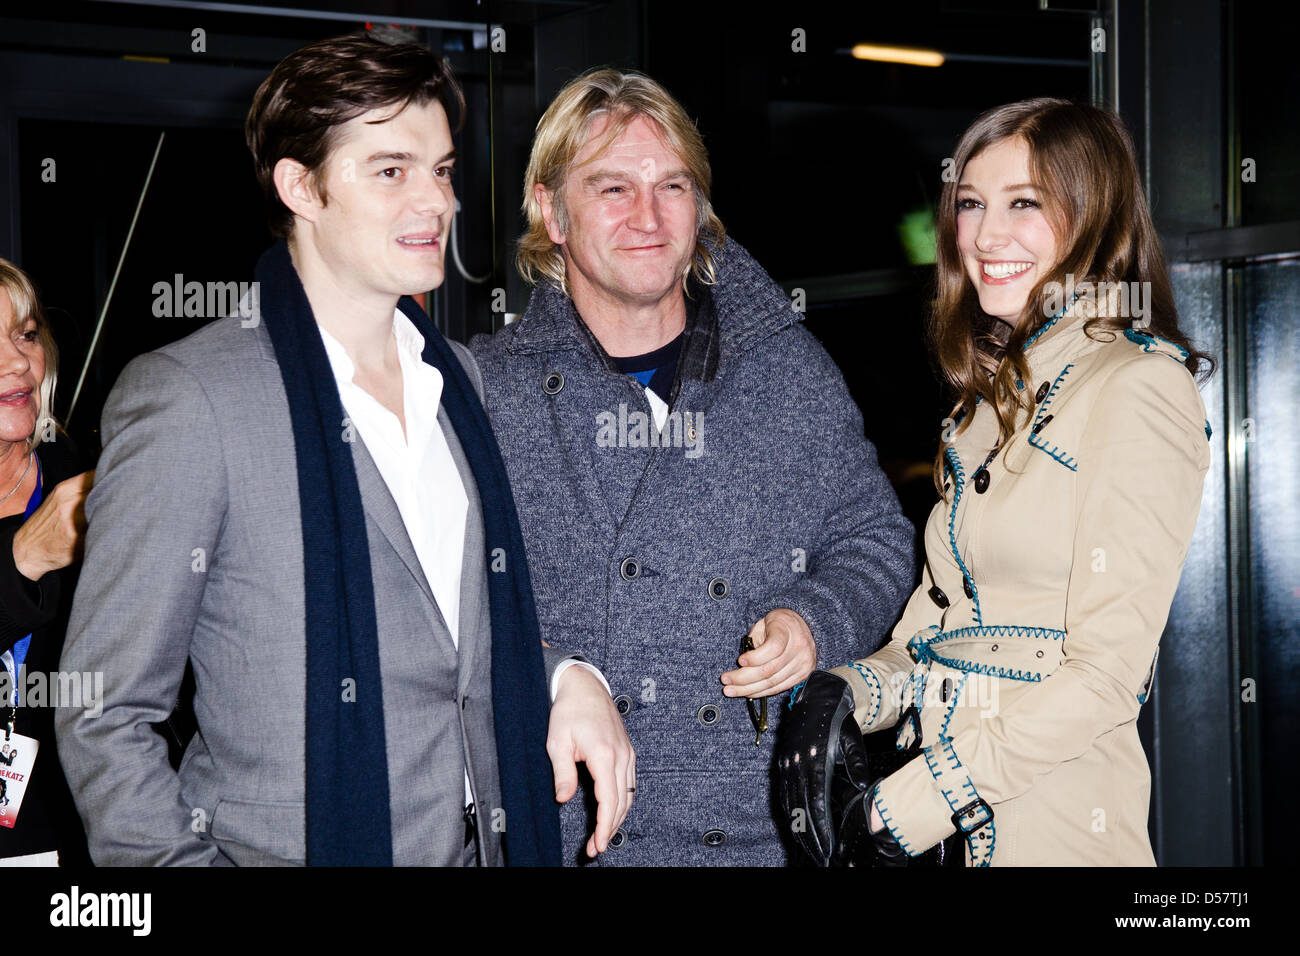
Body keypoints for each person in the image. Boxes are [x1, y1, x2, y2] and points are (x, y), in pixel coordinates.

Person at [55, 33, 633, 867]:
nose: (436, 201)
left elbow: (446, 644)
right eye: (391, 170)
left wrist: (560, 675)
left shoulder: (458, 381)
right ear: (302, 187)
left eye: (439, 169)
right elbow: (102, 713)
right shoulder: (191, 399)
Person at [471, 69, 915, 865]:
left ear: (700, 208)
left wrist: (815, 618)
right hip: (568, 836)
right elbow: (438, 610)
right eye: (611, 188)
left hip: (757, 835)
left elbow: (876, 538)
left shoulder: (783, 371)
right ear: (551, 212)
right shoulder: (489, 392)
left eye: (672, 185)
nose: (647, 216)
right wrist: (551, 673)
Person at [776, 98, 1214, 867]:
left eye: (1025, 204)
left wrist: (904, 809)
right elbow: (937, 639)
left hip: (1060, 834)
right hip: (950, 835)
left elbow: (1107, 677)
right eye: (972, 205)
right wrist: (846, 692)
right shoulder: (983, 411)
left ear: (1096, 218)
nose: (985, 235)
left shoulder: (1137, 386)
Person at [0, 260, 93, 866]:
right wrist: (21, 558)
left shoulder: (79, 481)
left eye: (26, 334)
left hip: (64, 836)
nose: (16, 363)